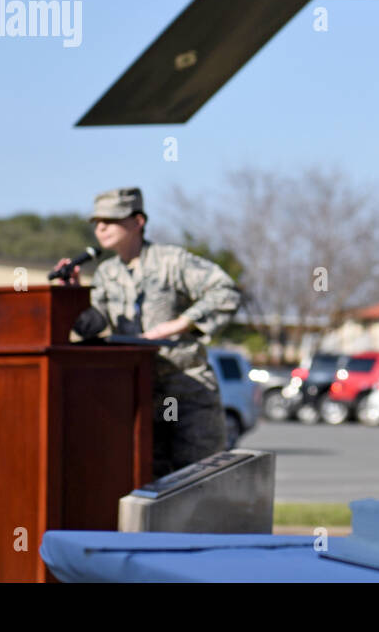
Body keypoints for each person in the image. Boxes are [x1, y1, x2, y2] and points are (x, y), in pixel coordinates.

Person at [53, 187, 241, 478]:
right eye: (97, 222)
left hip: (185, 390)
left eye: (111, 220)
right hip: (137, 394)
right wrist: (73, 295)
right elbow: (92, 326)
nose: (101, 227)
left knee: (197, 480)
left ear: (138, 221)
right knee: (147, 482)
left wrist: (180, 324)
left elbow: (225, 291)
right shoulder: (106, 273)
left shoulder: (171, 261)